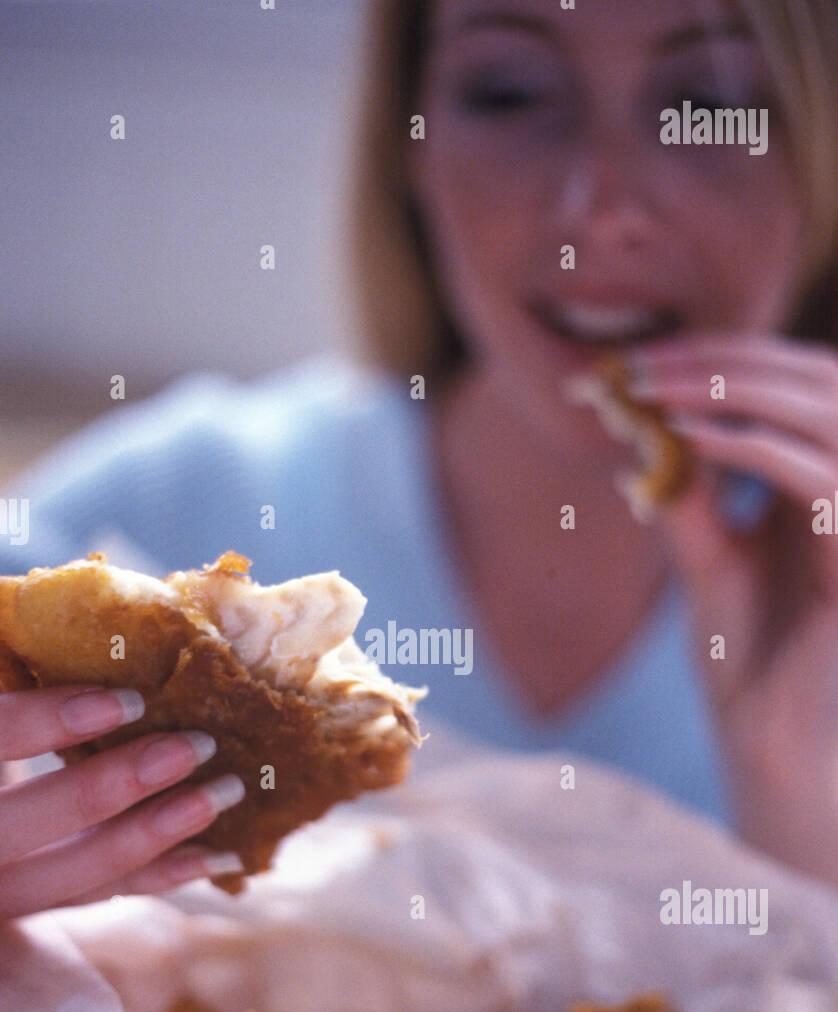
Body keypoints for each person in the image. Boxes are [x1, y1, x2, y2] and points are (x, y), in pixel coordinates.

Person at [2, 0, 838, 919]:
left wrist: (800, 813)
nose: (598, 210)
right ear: (412, 144)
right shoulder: (162, 513)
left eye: (710, 107)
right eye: (512, 93)